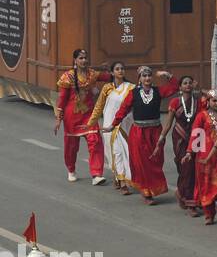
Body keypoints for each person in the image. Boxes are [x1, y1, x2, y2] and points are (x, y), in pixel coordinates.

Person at [110, 67, 178, 205]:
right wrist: (113, 124)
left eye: (149, 76)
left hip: (155, 132)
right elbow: (123, 109)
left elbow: (175, 86)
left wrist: (167, 74)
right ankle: (146, 192)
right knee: (141, 162)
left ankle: (154, 188)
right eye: (144, 76)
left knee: (155, 161)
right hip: (138, 132)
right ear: (139, 78)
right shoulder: (133, 93)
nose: (147, 78)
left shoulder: (158, 91)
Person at [54, 49, 111, 185]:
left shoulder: (92, 74)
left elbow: (108, 78)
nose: (84, 60)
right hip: (71, 117)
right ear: (75, 60)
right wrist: (58, 119)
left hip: (89, 115)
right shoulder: (67, 77)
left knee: (95, 141)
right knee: (71, 147)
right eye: (81, 58)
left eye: (85, 58)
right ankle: (71, 170)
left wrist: (110, 70)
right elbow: (62, 99)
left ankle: (96, 174)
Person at [156, 75, 200, 215]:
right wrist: (161, 138)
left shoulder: (199, 102)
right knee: (185, 167)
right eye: (184, 83)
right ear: (180, 87)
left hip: (197, 137)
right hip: (180, 137)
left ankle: (187, 197)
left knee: (196, 168)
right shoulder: (175, 102)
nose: (187, 85)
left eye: (190, 83)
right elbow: (168, 122)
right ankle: (186, 198)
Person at [186, 91, 217, 225]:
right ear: (208, 101)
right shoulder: (202, 116)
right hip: (205, 156)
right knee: (206, 184)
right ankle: (209, 214)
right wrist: (190, 152)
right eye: (214, 100)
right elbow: (196, 134)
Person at [89, 61, 133, 193]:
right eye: (117, 69)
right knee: (112, 152)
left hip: (125, 124)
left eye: (122, 68)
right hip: (109, 123)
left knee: (123, 152)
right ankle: (118, 176)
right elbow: (99, 106)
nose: (120, 71)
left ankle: (123, 182)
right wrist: (90, 123)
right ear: (112, 73)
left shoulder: (131, 87)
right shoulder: (107, 88)